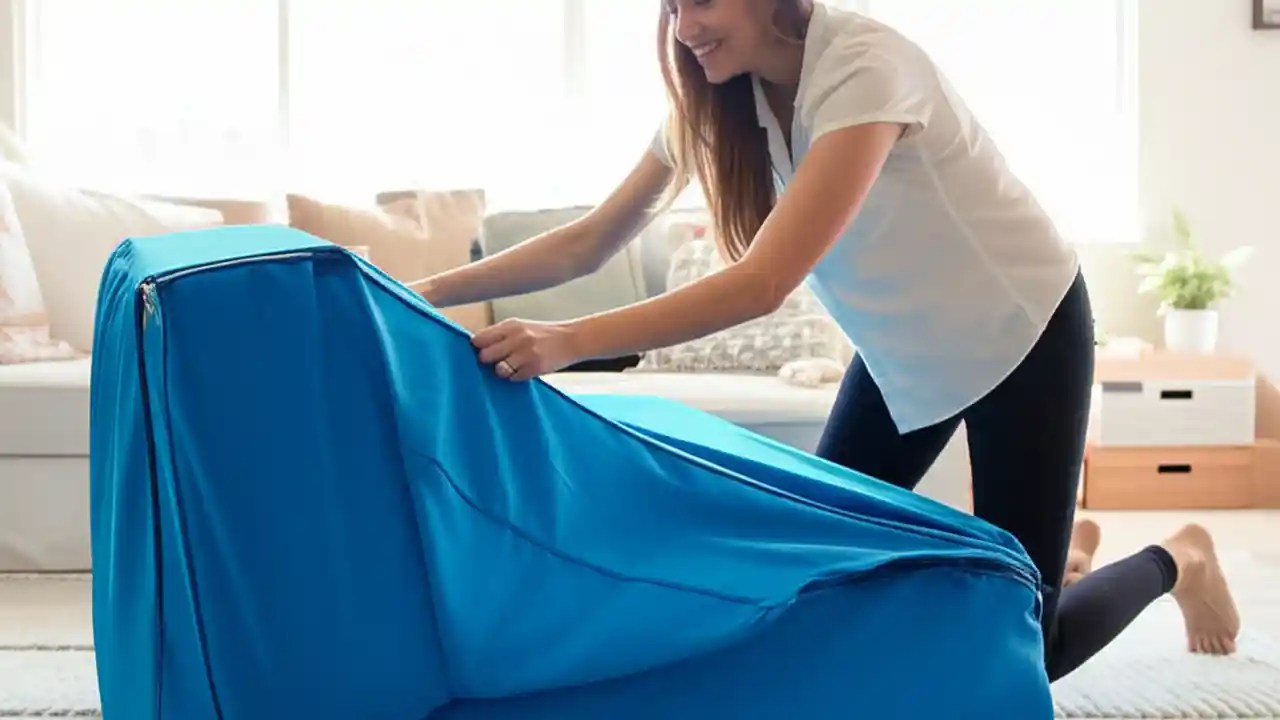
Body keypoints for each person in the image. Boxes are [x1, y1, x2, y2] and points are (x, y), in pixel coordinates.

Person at [412, 0, 1240, 681]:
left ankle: (1181, 557)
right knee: (819, 571)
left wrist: (570, 340)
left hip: (1018, 329)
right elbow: (590, 240)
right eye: (669, 7)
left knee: (1026, 651)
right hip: (900, 350)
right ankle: (1061, 558)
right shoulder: (714, 101)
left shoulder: (866, 65)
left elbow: (762, 282)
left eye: (700, 1)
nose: (682, 25)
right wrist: (428, 290)